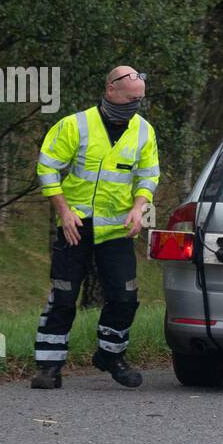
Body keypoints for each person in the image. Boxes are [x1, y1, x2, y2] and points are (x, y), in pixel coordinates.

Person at [30, 66, 160, 389]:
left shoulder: (144, 131)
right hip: (76, 225)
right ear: (110, 90)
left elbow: (148, 175)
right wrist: (62, 210)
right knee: (64, 295)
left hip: (117, 229)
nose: (134, 107)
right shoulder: (75, 126)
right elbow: (47, 167)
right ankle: (49, 366)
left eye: (140, 101)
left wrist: (139, 207)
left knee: (125, 297)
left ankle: (110, 355)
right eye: (130, 100)